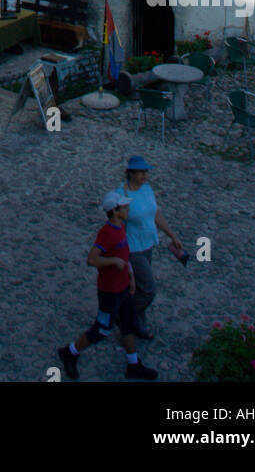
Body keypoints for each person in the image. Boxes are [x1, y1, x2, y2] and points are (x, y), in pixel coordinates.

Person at [57, 189, 157, 381]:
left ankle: (133, 364)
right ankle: (70, 352)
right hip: (109, 290)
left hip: (123, 287)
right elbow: (92, 259)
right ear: (115, 210)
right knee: (102, 328)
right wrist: (112, 262)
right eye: (125, 206)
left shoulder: (121, 228)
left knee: (128, 323)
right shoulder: (107, 233)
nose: (128, 208)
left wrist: (131, 275)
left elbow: (124, 255)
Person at [121, 154, 184, 338]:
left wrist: (172, 235)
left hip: (148, 244)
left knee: (139, 288)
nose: (144, 176)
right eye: (140, 172)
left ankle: (137, 322)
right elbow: (118, 227)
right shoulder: (122, 195)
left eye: (145, 172)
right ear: (130, 173)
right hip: (133, 249)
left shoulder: (146, 189)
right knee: (149, 290)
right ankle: (125, 316)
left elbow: (156, 213)